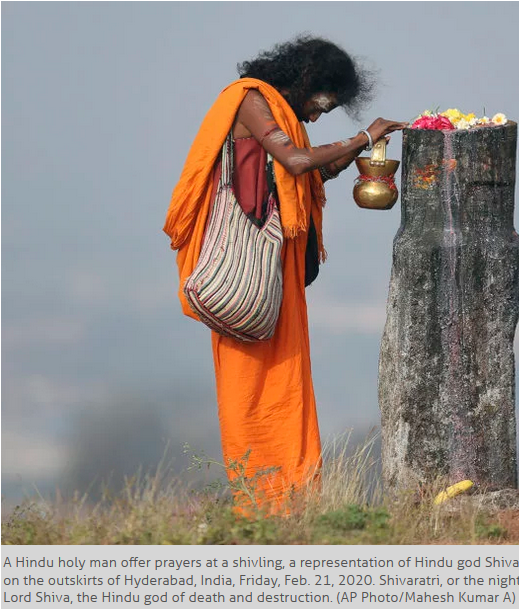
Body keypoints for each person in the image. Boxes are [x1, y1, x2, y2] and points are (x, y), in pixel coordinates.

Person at [164, 35, 406, 513]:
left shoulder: (284, 115)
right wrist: (363, 134)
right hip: (247, 268)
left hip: (278, 274)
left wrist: (366, 149)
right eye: (322, 103)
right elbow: (295, 160)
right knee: (249, 388)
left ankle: (292, 501)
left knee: (286, 386)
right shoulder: (251, 100)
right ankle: (261, 502)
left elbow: (305, 175)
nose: (318, 116)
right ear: (305, 80)